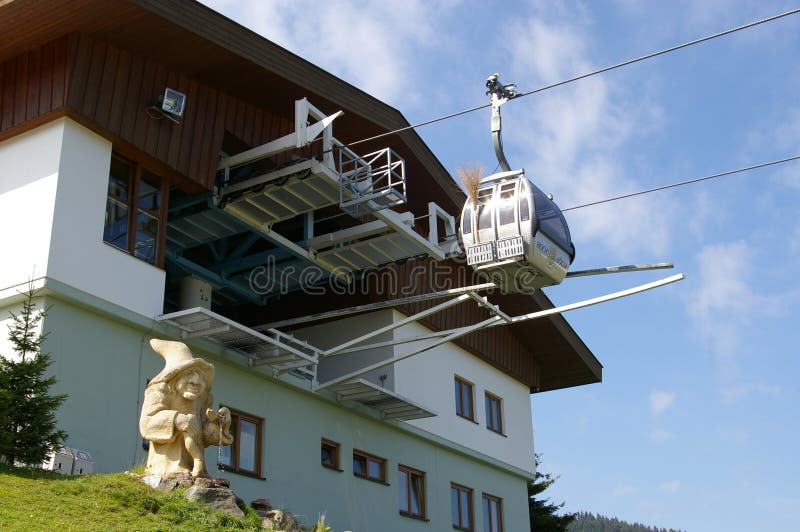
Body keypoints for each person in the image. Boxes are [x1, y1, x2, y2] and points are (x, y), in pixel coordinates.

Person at [139, 339, 233, 478]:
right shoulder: (159, 391)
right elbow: (146, 424)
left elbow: (204, 434)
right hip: (164, 465)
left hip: (194, 467)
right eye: (189, 373)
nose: (196, 381)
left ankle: (196, 467)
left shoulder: (203, 398)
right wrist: (176, 419)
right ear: (174, 375)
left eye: (200, 376)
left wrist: (219, 426)